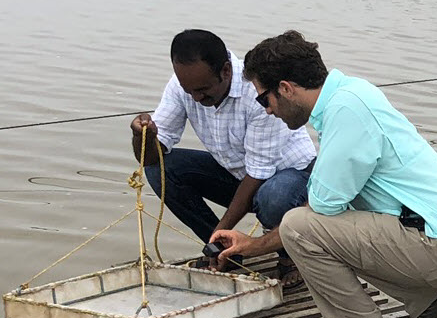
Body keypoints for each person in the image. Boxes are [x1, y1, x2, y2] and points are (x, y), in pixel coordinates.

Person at [208, 30, 437, 318]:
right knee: (335, 224)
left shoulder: (347, 111)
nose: (266, 111)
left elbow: (320, 209)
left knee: (299, 227)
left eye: (263, 100)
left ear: (285, 88)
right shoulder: (350, 94)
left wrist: (254, 246)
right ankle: (432, 302)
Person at [131, 29, 317, 279]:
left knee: (274, 195)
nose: (196, 97)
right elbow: (150, 158)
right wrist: (142, 136)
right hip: (239, 174)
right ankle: (226, 252)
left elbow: (259, 172)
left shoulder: (258, 91)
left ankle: (289, 255)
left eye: (203, 89)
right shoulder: (183, 86)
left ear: (226, 71)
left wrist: (219, 233)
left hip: (289, 179)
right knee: (160, 170)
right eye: (190, 91)